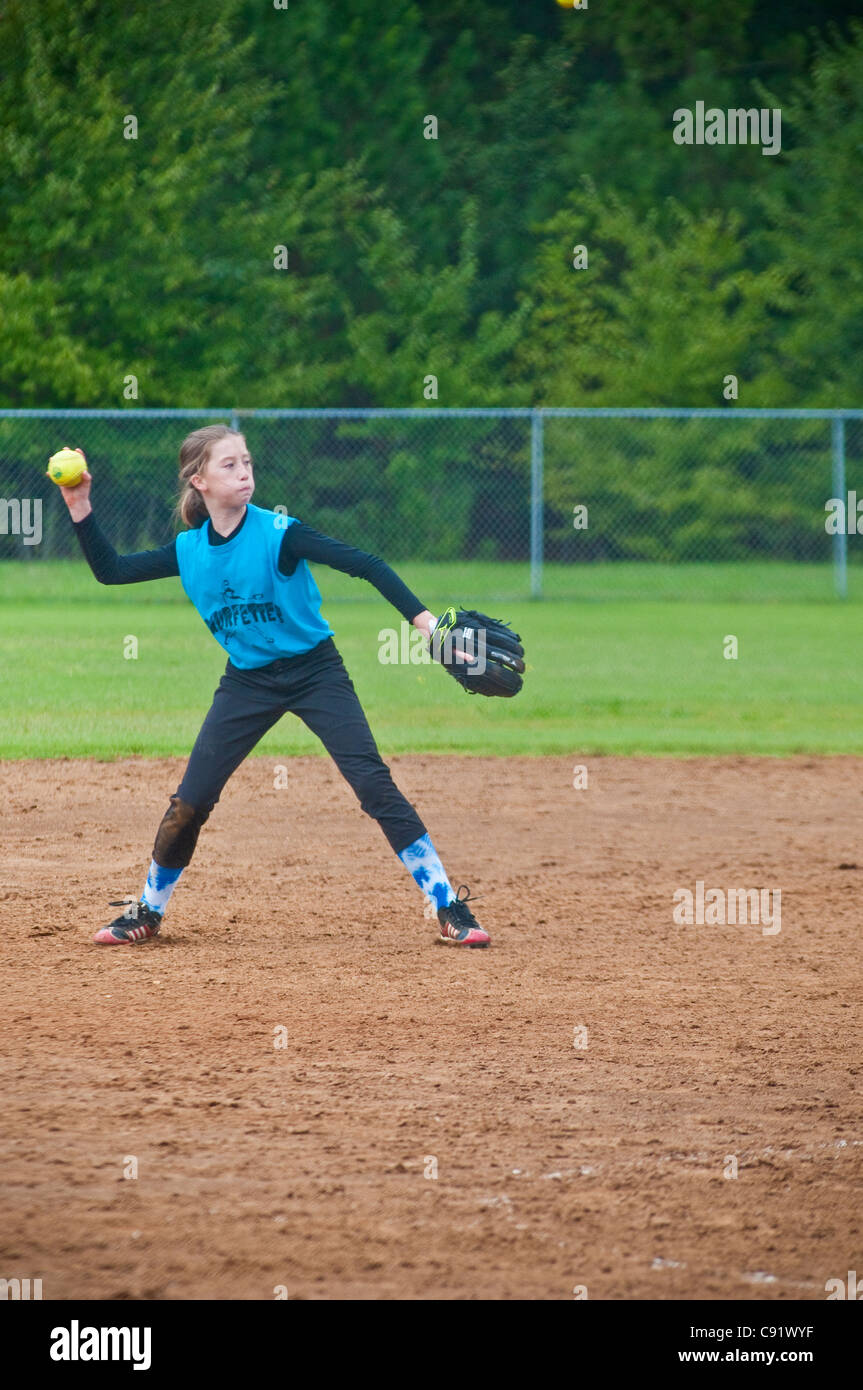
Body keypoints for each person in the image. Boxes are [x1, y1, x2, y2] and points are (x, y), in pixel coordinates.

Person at [58, 425, 489, 949]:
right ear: (200, 482)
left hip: (315, 672)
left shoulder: (281, 534)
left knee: (373, 784)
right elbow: (111, 570)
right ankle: (147, 911)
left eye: (247, 463)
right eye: (229, 466)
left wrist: (426, 625)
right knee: (190, 802)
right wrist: (79, 503)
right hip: (248, 682)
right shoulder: (189, 550)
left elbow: (366, 564)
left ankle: (448, 906)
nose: (244, 473)